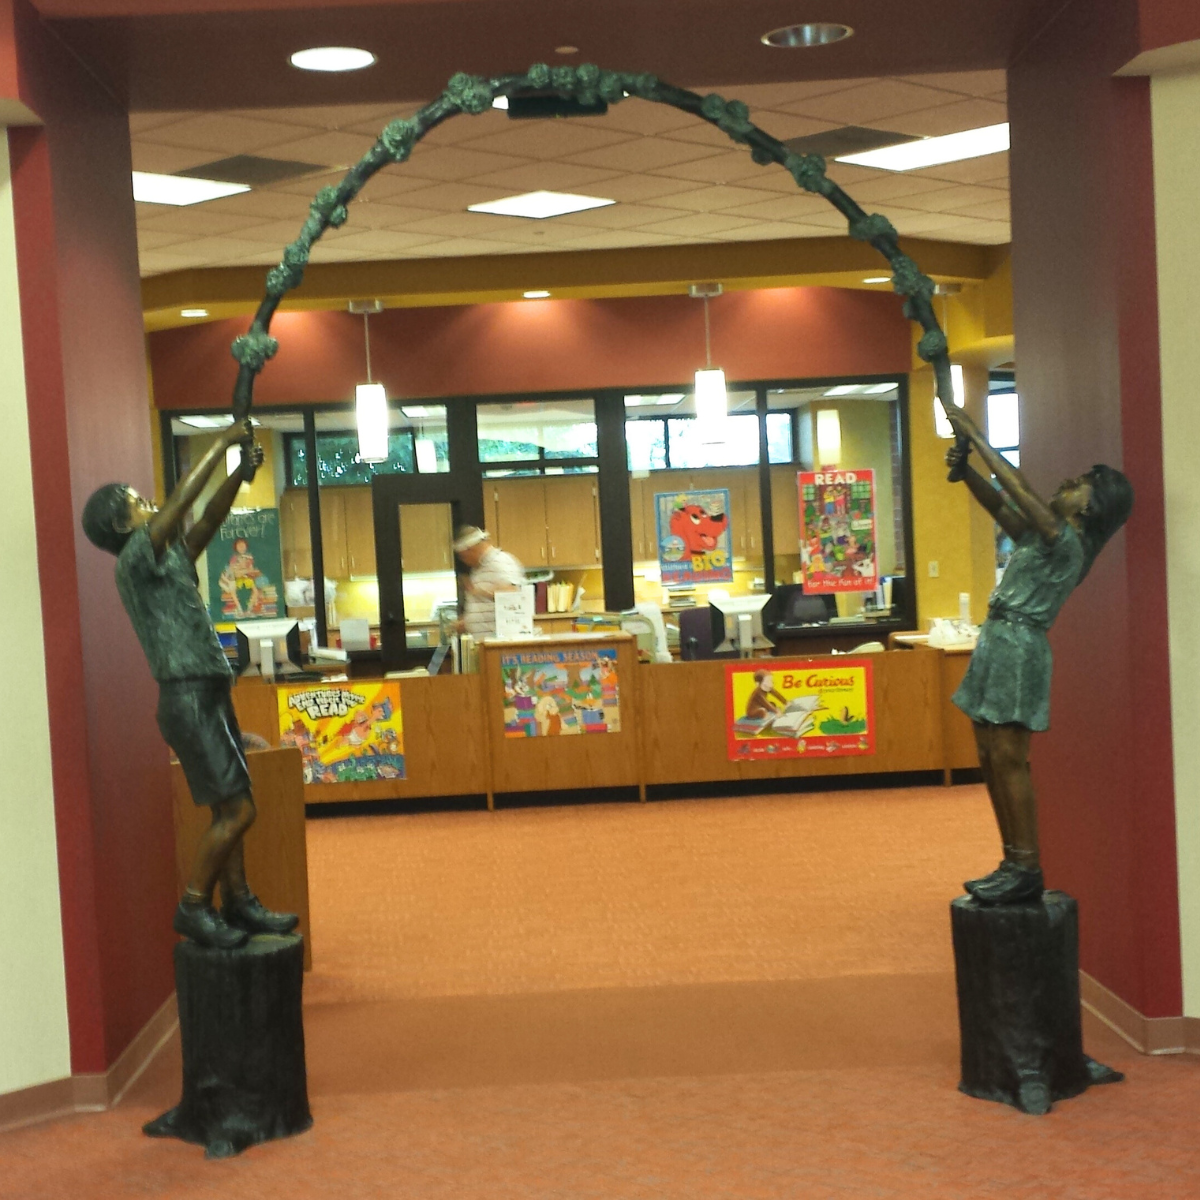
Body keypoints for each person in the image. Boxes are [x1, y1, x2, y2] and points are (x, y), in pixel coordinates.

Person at [81, 418, 298, 949]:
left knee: (233, 806)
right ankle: (194, 905)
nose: (151, 501)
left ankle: (239, 900)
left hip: (207, 691)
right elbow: (181, 504)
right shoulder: (135, 559)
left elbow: (209, 518)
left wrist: (238, 474)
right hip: (186, 696)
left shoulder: (165, 556)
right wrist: (222, 443)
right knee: (240, 809)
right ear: (120, 523)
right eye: (137, 500)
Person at [944, 406, 1133, 905]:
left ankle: (1025, 863)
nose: (1067, 482)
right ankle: (1011, 859)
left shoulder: (1067, 542)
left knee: (1009, 757)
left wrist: (980, 439)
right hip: (999, 640)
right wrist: (966, 471)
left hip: (1020, 648)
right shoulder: (1043, 538)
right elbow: (1001, 505)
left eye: (1078, 483)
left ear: (1088, 509)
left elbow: (1019, 490)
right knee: (988, 752)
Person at [452, 525, 525, 640]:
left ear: (471, 549)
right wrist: (467, 621)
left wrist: (479, 591)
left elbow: (513, 595)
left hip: (499, 643)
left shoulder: (501, 562)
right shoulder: (478, 568)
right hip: (483, 641)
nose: (464, 561)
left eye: (464, 556)